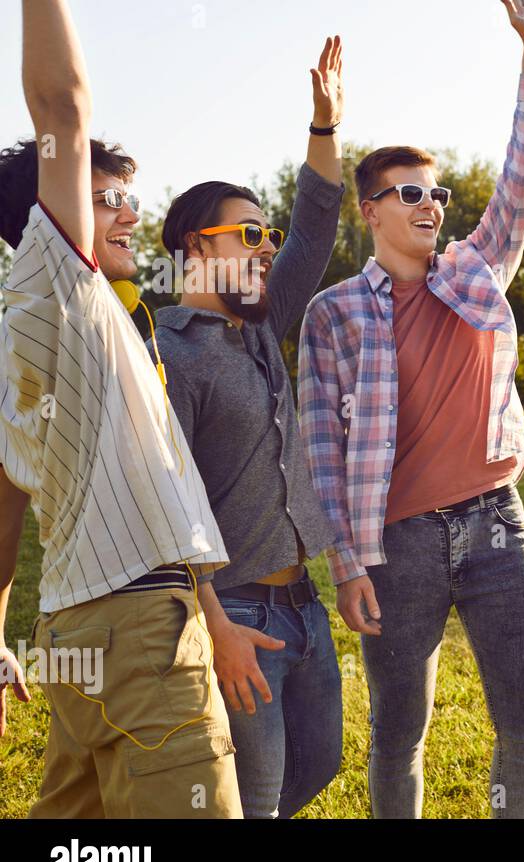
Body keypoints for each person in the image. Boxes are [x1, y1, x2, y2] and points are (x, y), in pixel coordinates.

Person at [297, 0, 524, 819]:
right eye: (408, 193)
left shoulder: (476, 271)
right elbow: (321, 453)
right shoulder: (333, 314)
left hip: (496, 523)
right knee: (398, 725)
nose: (429, 204)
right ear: (369, 210)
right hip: (397, 543)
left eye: (435, 191)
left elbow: (522, 178)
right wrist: (346, 562)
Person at [0, 0, 237, 818]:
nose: (131, 212)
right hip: (138, 632)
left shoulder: (36, 322)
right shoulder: (57, 282)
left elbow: (2, 513)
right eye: (107, 200)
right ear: (45, 215)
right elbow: (62, 102)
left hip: (73, 630)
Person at [151, 37, 347, 819]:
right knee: (254, 799)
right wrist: (217, 622)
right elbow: (168, 504)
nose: (266, 248)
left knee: (322, 762)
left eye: (266, 235)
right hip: (237, 611)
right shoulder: (170, 353)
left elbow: (317, 227)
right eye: (247, 234)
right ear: (197, 246)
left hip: (303, 603)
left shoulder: (262, 328)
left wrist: (325, 126)